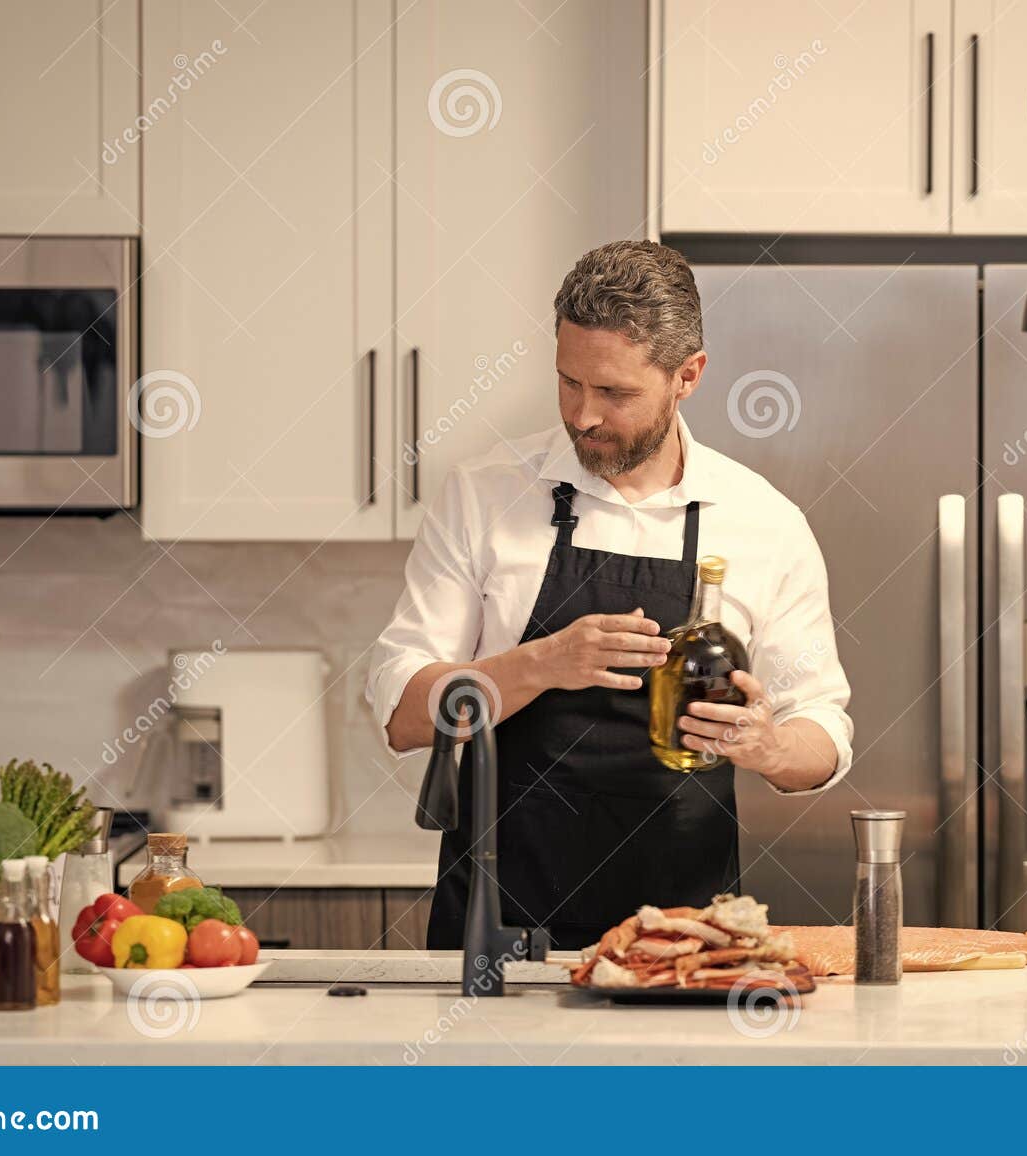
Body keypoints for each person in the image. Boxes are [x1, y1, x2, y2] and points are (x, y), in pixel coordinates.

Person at [365, 240, 853, 949]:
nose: (584, 415)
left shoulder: (765, 523)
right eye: (569, 382)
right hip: (500, 932)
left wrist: (770, 745)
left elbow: (824, 732)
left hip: (683, 945)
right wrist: (541, 663)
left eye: (615, 394)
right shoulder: (484, 494)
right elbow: (404, 717)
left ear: (688, 376)